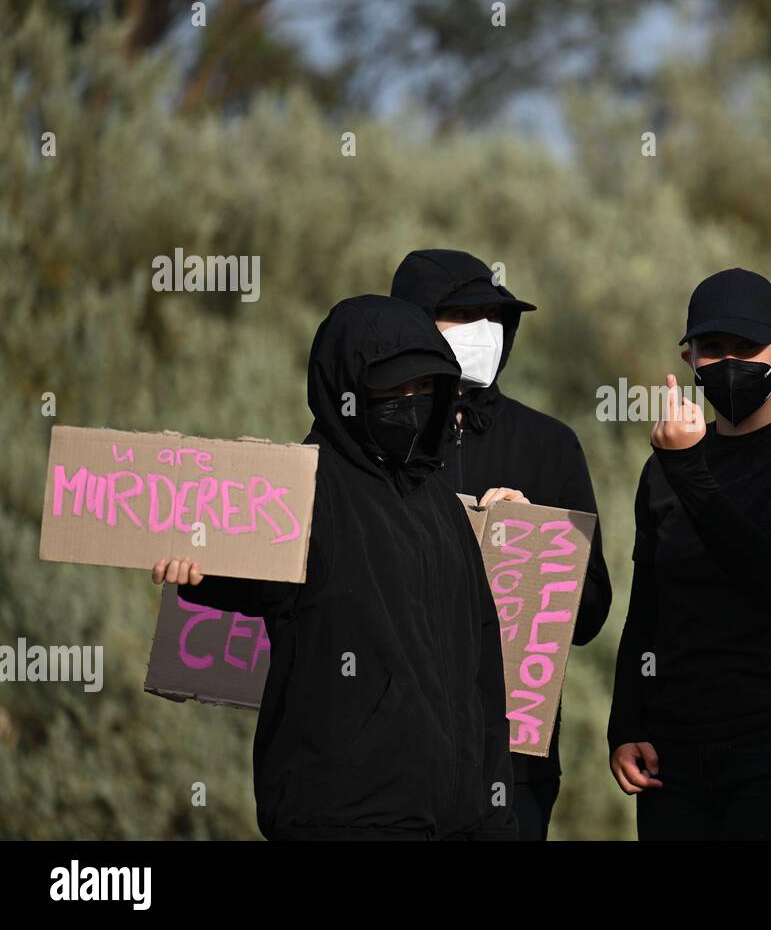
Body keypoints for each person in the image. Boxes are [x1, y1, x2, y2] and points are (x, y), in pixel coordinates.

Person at [152, 294, 517, 840]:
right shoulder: (303, 493)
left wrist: (494, 814)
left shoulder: (440, 501)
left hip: (459, 821)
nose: (411, 402)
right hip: (344, 813)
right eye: (392, 390)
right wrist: (201, 572)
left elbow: (482, 658)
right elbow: (255, 577)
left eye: (425, 388)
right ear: (346, 391)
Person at [607, 267, 771, 841]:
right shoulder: (663, 469)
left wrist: (688, 469)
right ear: (689, 357)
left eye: (747, 347)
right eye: (713, 348)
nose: (729, 362)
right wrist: (625, 724)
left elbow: (768, 571)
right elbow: (648, 605)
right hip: (677, 756)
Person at [390, 249, 612, 841]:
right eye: (460, 314)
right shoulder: (378, 440)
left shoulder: (550, 445)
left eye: (493, 315)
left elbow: (590, 612)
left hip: (512, 764)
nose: (483, 331)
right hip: (392, 754)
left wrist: (536, 544)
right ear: (410, 325)